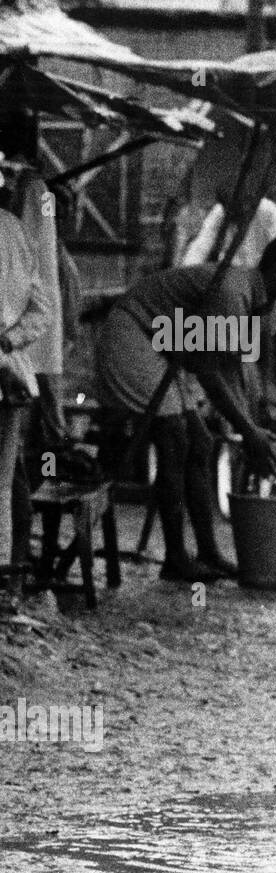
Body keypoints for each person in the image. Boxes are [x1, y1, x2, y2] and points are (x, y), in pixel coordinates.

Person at [96, 234, 276, 581]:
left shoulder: (256, 300)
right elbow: (208, 370)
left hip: (161, 346)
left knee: (202, 443)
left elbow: (230, 368)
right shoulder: (233, 292)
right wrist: (247, 431)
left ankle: (207, 552)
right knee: (175, 437)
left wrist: (250, 429)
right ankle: (176, 558)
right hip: (133, 335)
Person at [1, 203, 54, 601]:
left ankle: (9, 578)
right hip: (12, 377)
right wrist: (9, 342)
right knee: (6, 480)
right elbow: (41, 311)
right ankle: (9, 580)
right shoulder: (16, 229)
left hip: (7, 375)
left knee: (9, 481)